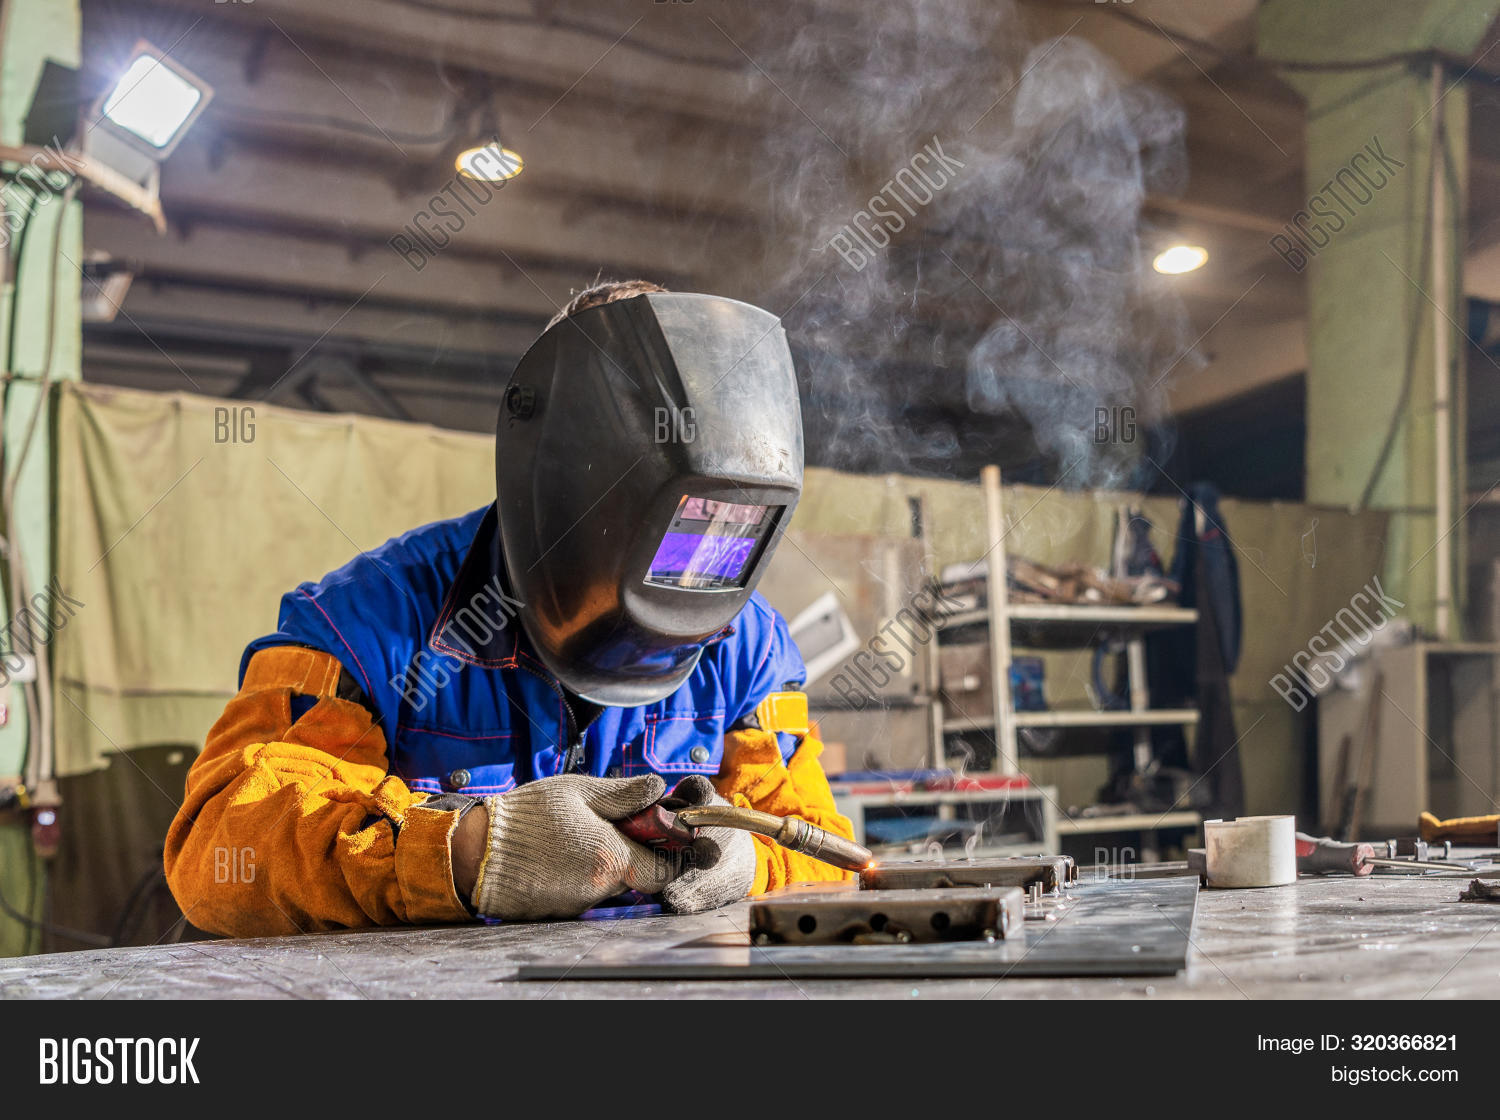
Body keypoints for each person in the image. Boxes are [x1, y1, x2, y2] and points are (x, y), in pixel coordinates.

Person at [164, 280, 854, 937]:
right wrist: (467, 853)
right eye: (676, 522)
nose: (693, 568)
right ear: (563, 482)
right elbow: (222, 852)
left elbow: (823, 849)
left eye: (724, 533)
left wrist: (752, 861)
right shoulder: (367, 624)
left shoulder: (747, 644)